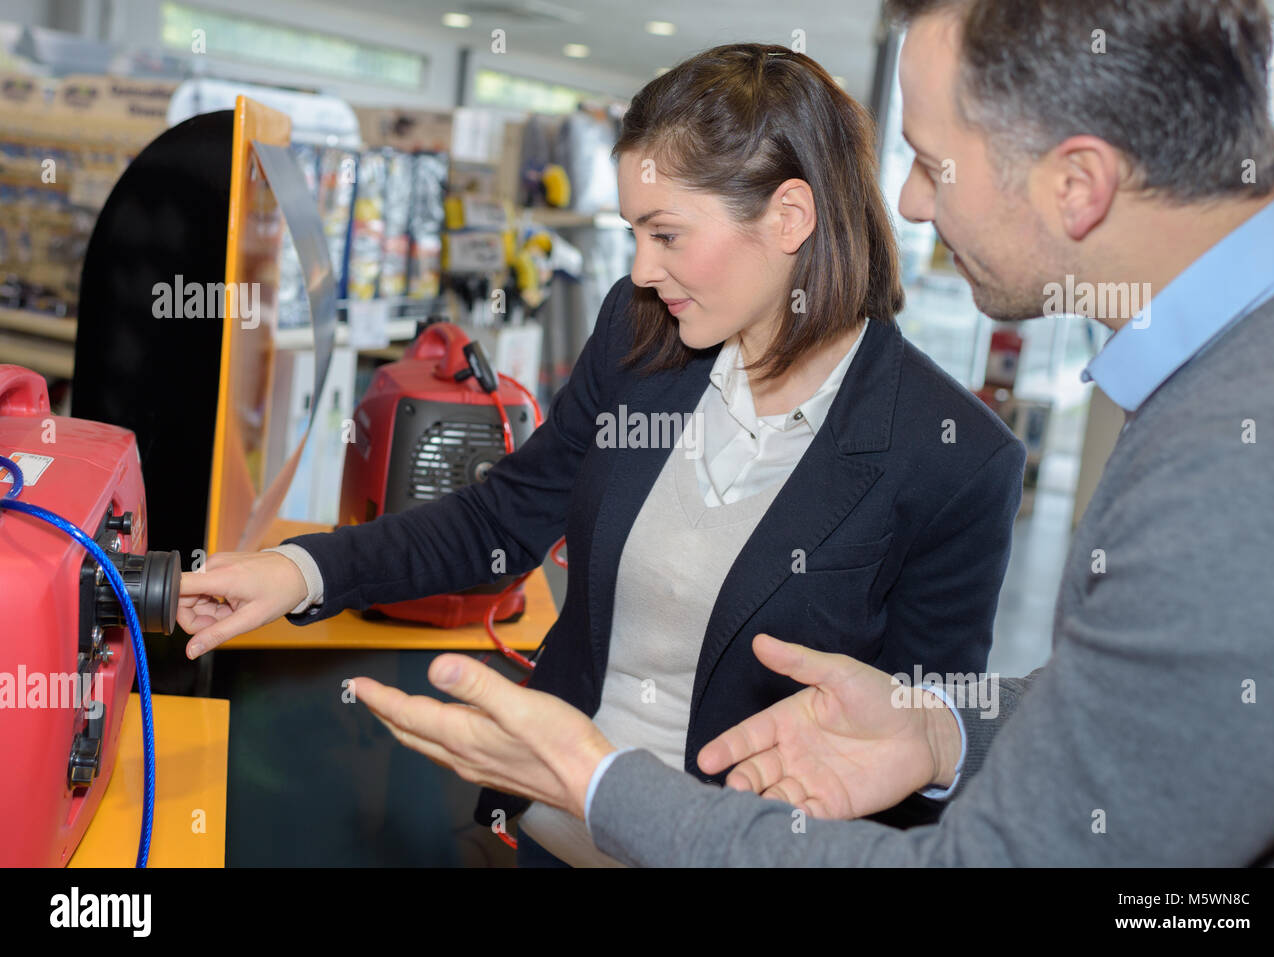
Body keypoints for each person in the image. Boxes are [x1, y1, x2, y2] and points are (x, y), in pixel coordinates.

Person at [347, 0, 1274, 866]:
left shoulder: (1238, 462)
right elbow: (1144, 720)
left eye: (931, 163)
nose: (914, 202)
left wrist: (600, 784)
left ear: (1077, 182)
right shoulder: (1232, 386)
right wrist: (942, 730)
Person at [177, 42, 1026, 866]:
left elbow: (916, 750)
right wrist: (299, 570)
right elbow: (503, 518)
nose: (642, 268)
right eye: (632, 233)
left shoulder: (952, 458)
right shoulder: (642, 329)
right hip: (550, 830)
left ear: (789, 217)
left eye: (665, 233)